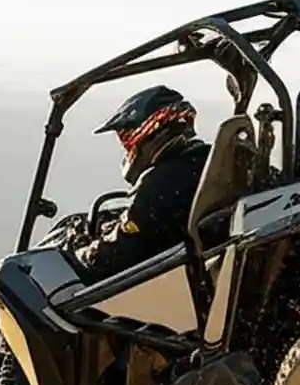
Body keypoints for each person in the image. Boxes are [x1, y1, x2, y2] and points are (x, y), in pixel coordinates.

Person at [73, 85, 211, 282]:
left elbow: (113, 257)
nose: (127, 149)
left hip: (172, 291)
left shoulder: (160, 182)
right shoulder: (207, 162)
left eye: (127, 140)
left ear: (152, 132)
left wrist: (81, 247)